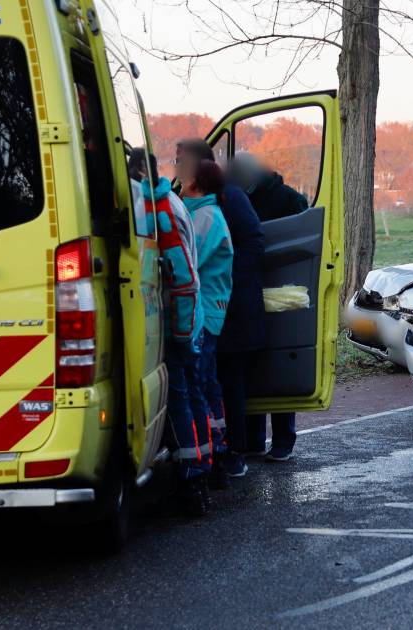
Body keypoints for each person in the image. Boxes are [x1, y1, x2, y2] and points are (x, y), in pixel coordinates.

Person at [177, 140, 267, 466]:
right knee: (219, 381)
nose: (177, 170)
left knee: (223, 382)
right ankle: (235, 447)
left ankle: (231, 452)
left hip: (219, 307)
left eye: (181, 163)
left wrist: (229, 283)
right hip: (213, 306)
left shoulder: (219, 206)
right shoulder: (195, 207)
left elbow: (252, 242)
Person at [129, 149, 208, 515]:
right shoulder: (169, 203)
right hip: (187, 317)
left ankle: (193, 480)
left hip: (180, 319)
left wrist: (179, 332)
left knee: (180, 398)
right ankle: (201, 470)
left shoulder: (158, 209)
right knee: (191, 394)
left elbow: (180, 276)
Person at [226, 151, 310, 461]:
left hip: (279, 292)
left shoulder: (280, 199)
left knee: (276, 361)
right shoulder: (283, 198)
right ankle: (263, 439)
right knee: (262, 363)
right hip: (263, 291)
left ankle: (277, 439)